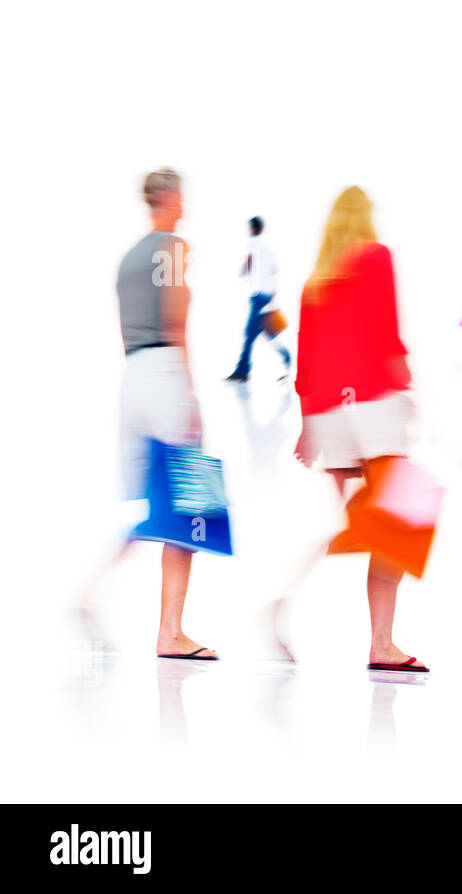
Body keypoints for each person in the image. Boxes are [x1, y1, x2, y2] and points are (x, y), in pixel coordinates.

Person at [83, 167, 217, 659]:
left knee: (154, 505)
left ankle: (88, 593)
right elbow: (175, 320)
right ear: (169, 197)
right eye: (181, 194)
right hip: (164, 373)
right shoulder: (172, 249)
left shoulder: (128, 258)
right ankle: (171, 632)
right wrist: (190, 392)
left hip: (133, 376)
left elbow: (129, 327)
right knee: (188, 504)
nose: (185, 203)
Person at [292, 186, 426, 672]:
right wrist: (409, 389)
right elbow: (386, 333)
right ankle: (379, 641)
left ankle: (288, 600)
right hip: (372, 405)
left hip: (330, 414)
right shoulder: (376, 256)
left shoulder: (316, 283)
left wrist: (309, 428)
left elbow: (305, 365)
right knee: (396, 522)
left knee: (365, 523)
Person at [226, 216, 291, 382]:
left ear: (253, 229)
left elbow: (249, 261)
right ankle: (287, 359)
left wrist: (243, 271)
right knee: (265, 334)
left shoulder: (254, 242)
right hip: (267, 295)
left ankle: (242, 371)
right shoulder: (268, 246)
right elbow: (274, 270)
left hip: (258, 296)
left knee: (250, 333)